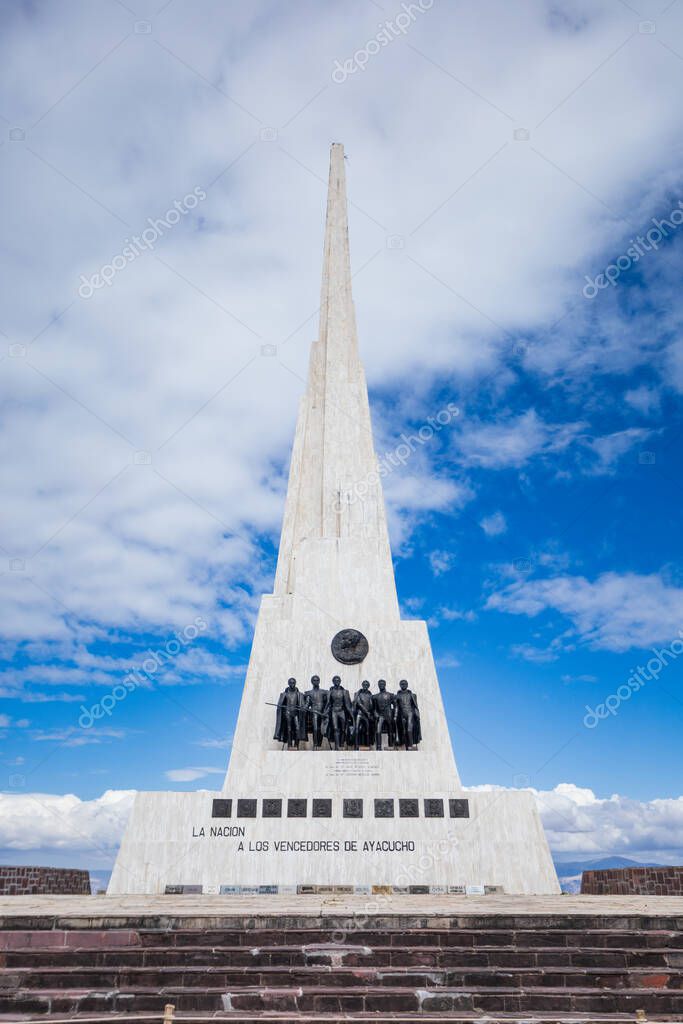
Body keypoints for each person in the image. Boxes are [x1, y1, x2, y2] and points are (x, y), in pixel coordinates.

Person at [273, 677, 305, 749]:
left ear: (295, 683)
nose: (292, 684)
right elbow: (280, 705)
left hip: (296, 713)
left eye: (293, 682)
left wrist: (302, 708)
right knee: (289, 729)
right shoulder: (284, 694)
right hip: (288, 713)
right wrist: (282, 708)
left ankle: (296, 745)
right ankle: (289, 745)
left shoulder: (299, 694)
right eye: (290, 683)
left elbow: (302, 705)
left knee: (297, 728)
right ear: (288, 683)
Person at [325, 675, 353, 750]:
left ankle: (342, 743)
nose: (337, 682)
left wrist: (352, 716)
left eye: (338, 680)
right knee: (335, 728)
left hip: (342, 711)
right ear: (333, 682)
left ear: (340, 681)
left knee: (343, 729)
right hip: (334, 711)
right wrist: (325, 712)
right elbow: (328, 703)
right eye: (335, 681)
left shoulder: (345, 692)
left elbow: (348, 704)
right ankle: (337, 746)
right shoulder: (330, 692)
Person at [394, 679, 421, 750]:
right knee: (403, 731)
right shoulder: (397, 696)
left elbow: (415, 706)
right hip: (402, 715)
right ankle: (406, 746)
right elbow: (396, 707)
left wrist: (417, 715)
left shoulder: (412, 695)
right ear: (400, 685)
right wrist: (395, 715)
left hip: (410, 713)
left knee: (409, 729)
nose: (404, 685)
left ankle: (410, 745)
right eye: (402, 684)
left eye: (405, 684)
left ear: (407, 685)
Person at [304, 674, 327, 749]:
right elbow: (307, 704)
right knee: (315, 728)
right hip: (314, 712)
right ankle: (315, 744)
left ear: (319, 681)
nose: (316, 682)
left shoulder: (324, 692)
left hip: (322, 713)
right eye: (314, 680)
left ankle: (319, 745)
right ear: (311, 682)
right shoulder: (309, 693)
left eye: (317, 680)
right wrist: (304, 707)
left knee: (321, 729)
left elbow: (327, 703)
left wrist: (326, 711)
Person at [372, 678, 395, 750]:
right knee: (378, 730)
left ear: (385, 685)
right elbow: (374, 708)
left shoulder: (391, 695)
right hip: (380, 715)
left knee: (390, 731)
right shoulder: (375, 696)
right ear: (378, 685)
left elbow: (395, 706)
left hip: (389, 715)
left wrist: (395, 715)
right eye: (380, 684)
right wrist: (375, 713)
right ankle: (378, 747)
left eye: (382, 684)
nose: (381, 685)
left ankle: (390, 746)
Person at [353, 680, 375, 750]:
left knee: (367, 730)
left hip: (367, 715)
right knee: (357, 729)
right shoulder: (358, 694)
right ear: (362, 685)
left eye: (367, 685)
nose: (365, 686)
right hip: (360, 714)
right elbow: (359, 704)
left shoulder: (370, 695)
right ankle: (356, 745)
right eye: (364, 685)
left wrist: (371, 712)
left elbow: (371, 705)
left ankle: (367, 744)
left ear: (368, 686)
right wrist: (367, 712)